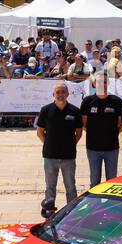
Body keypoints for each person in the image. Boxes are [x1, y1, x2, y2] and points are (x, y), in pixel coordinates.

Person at [36, 82, 82, 215]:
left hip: (68, 156)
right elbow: (40, 132)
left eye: (63, 92)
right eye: (58, 92)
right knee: (50, 186)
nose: (60, 94)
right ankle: (49, 209)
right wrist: (49, 143)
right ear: (53, 94)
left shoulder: (74, 111)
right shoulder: (46, 110)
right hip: (50, 156)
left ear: (67, 94)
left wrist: (70, 144)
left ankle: (72, 211)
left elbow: (78, 133)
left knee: (71, 187)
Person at [80, 72, 122, 186]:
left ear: (108, 83)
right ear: (94, 84)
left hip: (112, 148)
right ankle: (95, 204)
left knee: (112, 182)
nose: (102, 84)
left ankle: (110, 204)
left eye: (104, 81)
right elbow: (83, 124)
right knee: (94, 181)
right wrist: (93, 133)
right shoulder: (87, 102)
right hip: (93, 148)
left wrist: (114, 133)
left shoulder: (117, 101)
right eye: (99, 81)